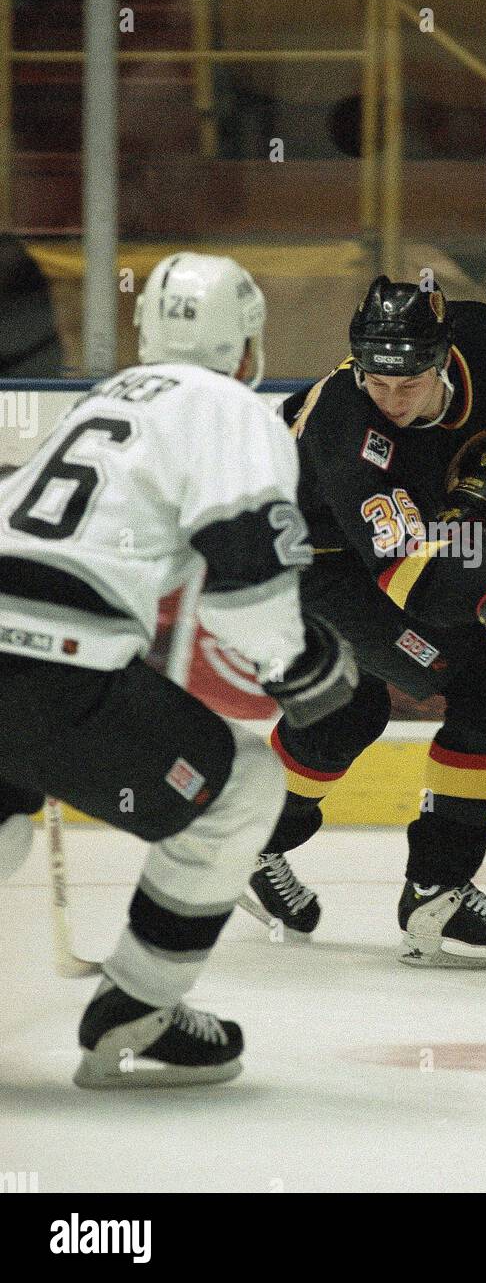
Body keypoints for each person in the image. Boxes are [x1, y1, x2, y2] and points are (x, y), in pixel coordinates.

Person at [0, 252, 356, 1088]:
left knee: (6, 817)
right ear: (246, 344)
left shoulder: (102, 399)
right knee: (244, 791)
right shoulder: (230, 408)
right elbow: (244, 582)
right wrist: (303, 667)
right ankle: (140, 1006)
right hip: (59, 670)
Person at [247, 275, 486, 968]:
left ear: (443, 357)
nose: (390, 400)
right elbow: (416, 574)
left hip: (382, 549)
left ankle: (245, 839)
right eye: (376, 383)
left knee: (347, 710)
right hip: (313, 562)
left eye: (407, 384)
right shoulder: (347, 424)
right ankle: (437, 894)